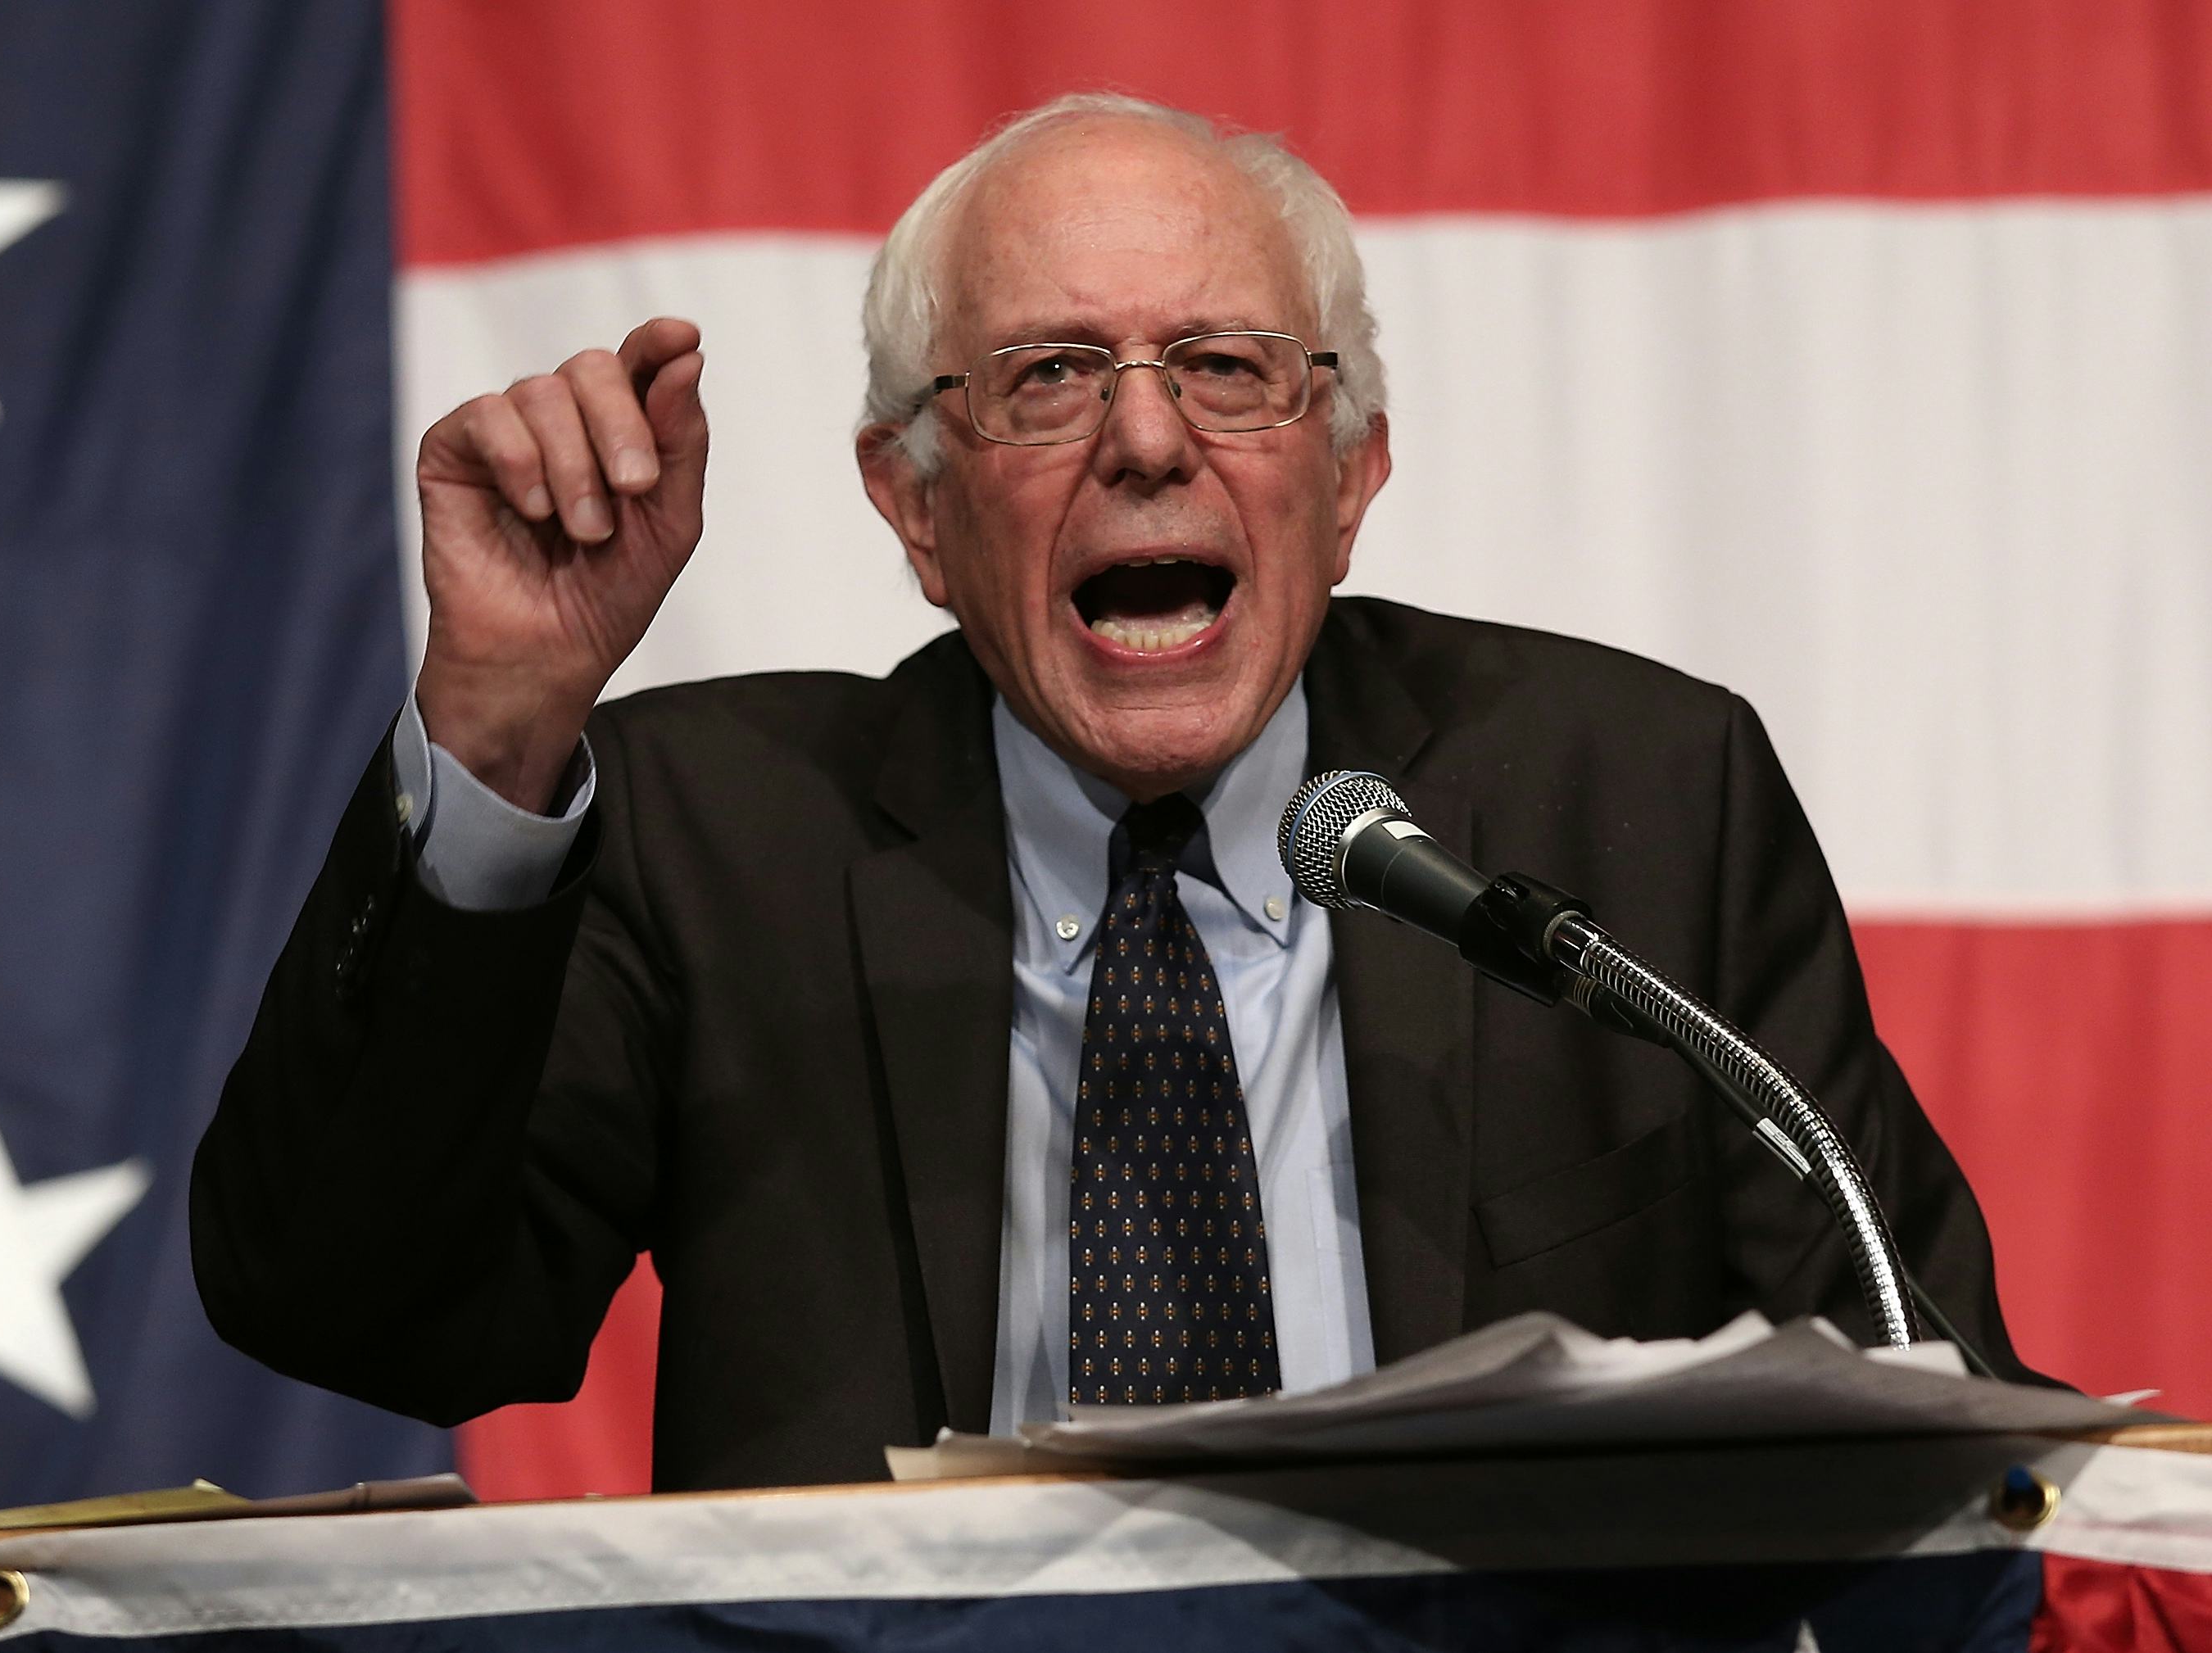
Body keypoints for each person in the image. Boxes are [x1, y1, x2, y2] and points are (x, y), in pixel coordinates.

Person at [191, 95, 2042, 1492]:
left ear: (1350, 475)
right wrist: (502, 727)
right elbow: (355, 1305)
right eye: (1052, 375)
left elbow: (1939, 1407)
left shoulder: (1628, 795)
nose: (1147, 439)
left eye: (1229, 371)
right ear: (916, 505)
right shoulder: (716, 837)